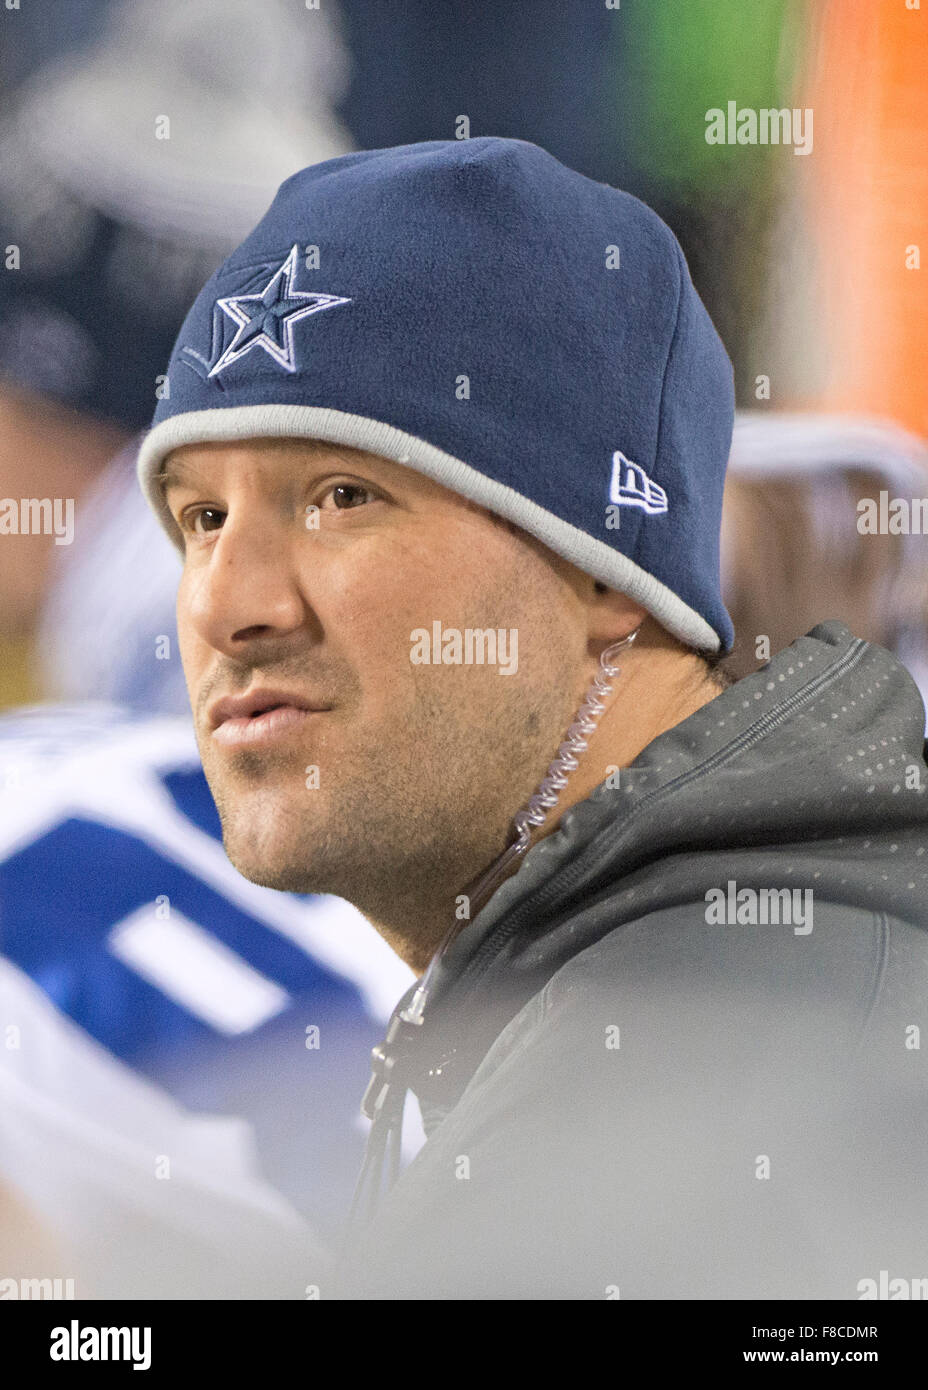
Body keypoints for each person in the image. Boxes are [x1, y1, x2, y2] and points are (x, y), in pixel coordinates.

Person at [135, 138, 928, 1298]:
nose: (226, 605)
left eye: (341, 496)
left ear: (606, 569)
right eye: (200, 517)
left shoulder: (663, 1124)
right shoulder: (725, 961)